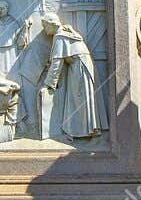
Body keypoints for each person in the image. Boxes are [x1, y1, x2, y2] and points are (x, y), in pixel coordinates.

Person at [38, 12, 107, 141]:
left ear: (52, 24)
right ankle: (78, 131)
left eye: (45, 26)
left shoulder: (60, 36)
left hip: (79, 68)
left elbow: (57, 64)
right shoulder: (67, 33)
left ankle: (90, 133)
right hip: (80, 66)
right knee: (78, 99)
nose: (45, 29)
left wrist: (48, 84)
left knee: (79, 98)